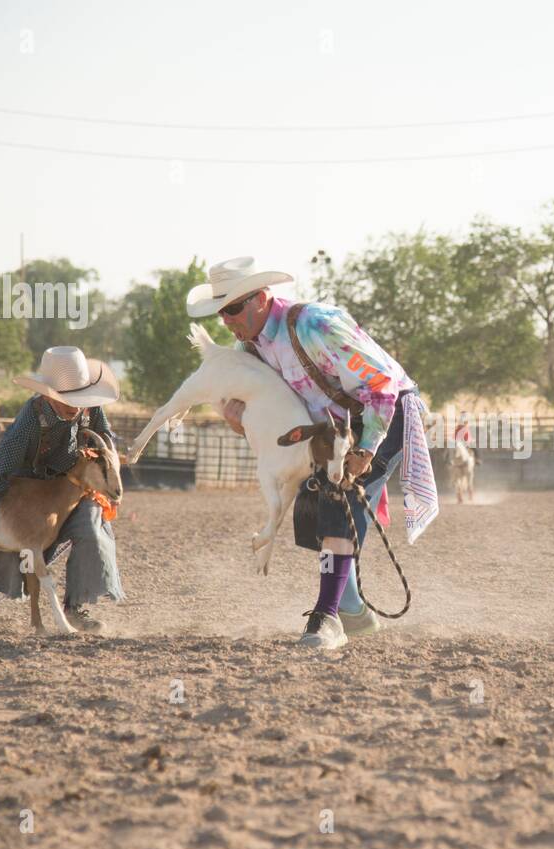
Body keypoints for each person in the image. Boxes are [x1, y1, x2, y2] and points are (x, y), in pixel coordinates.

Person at [186, 257, 435, 650]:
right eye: (221, 312)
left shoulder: (315, 325)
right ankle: (352, 610)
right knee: (321, 511)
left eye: (233, 308)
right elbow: (262, 414)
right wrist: (239, 418)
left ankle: (328, 617)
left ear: (261, 299)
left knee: (337, 501)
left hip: (383, 415)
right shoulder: (248, 351)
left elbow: (382, 386)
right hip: (334, 430)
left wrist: (368, 449)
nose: (227, 319)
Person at [0, 346, 125, 635]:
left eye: (79, 397)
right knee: (11, 547)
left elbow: (106, 438)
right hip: (29, 492)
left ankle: (75, 607)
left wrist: (108, 458)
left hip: (73, 487)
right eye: (65, 398)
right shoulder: (30, 420)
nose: (75, 405)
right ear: (47, 394)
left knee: (92, 530)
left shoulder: (91, 407)